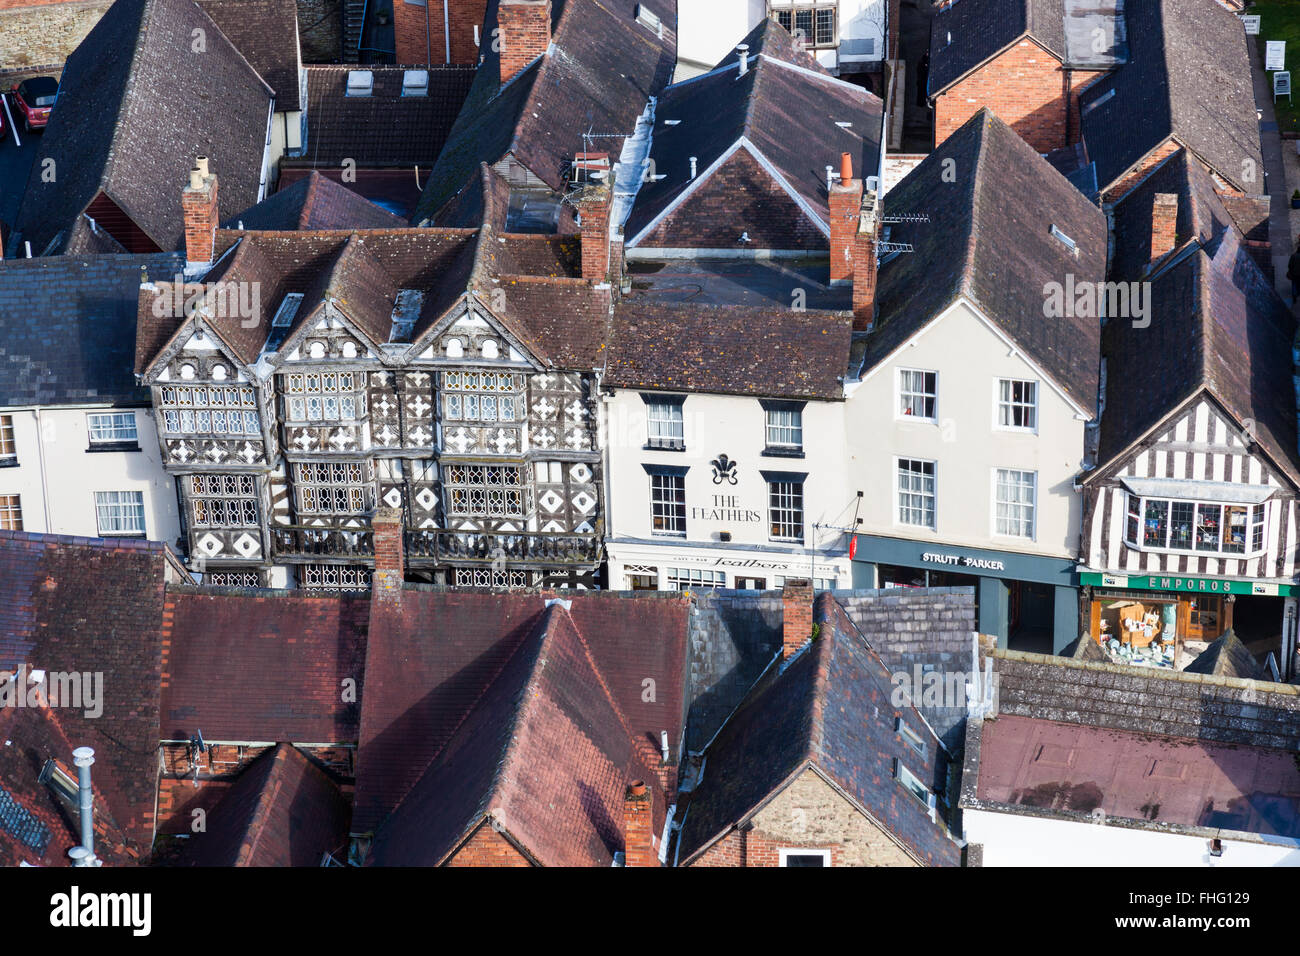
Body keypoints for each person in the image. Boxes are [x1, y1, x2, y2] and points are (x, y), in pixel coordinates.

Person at [1289, 236, 1300, 305]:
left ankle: (1294, 296)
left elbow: (1290, 265)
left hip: (1294, 273)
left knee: (1294, 285)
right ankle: (1298, 293)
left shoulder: (1294, 256)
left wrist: (1291, 270)